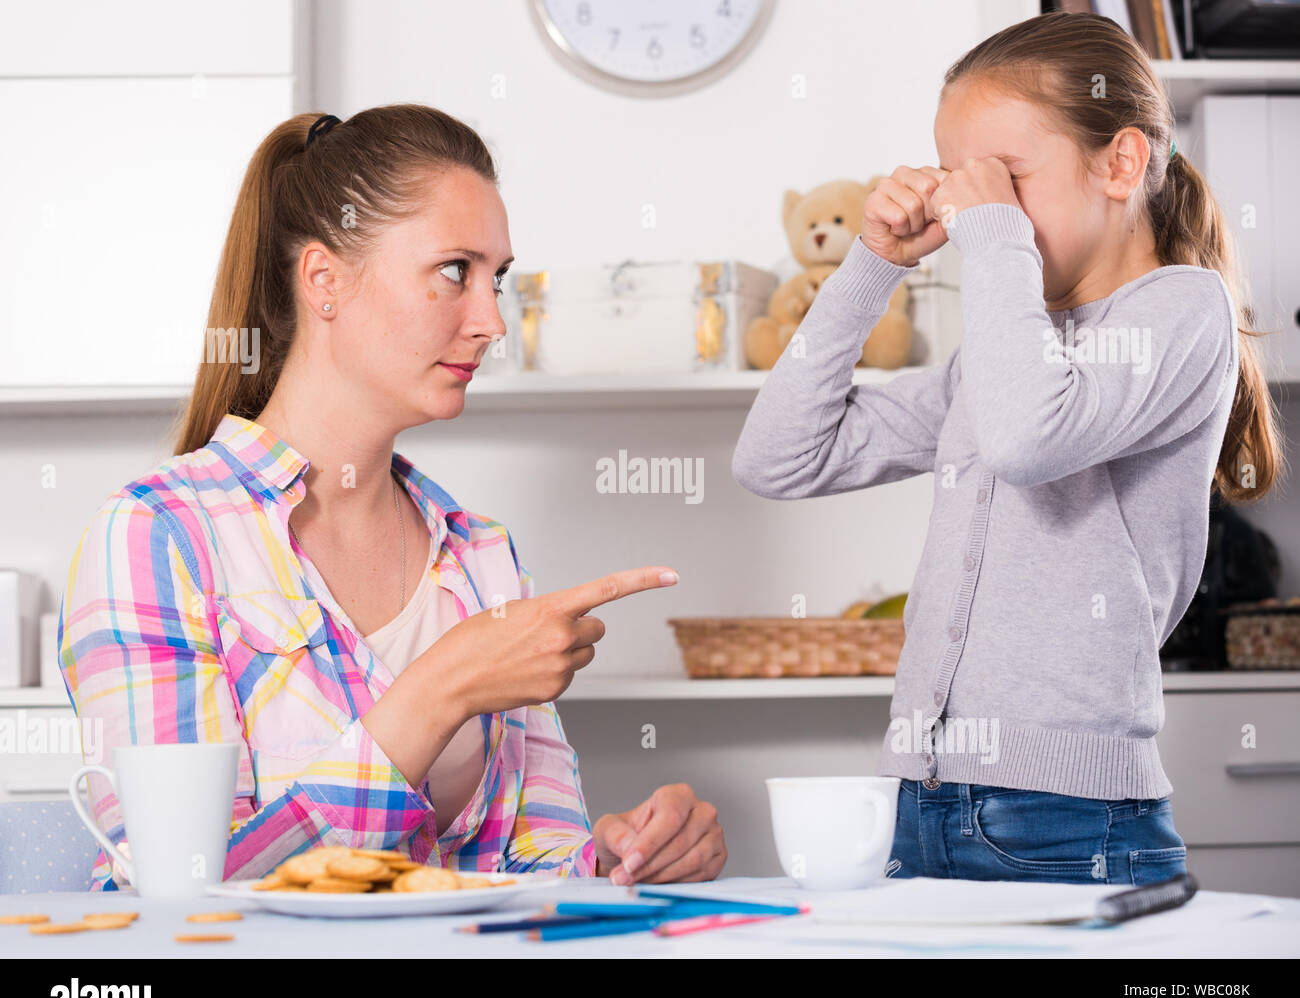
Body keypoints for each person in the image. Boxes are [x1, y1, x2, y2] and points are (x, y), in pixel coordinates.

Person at [59, 104, 725, 893]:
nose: (492, 322)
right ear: (324, 280)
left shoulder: (479, 554)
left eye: (498, 280)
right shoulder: (157, 536)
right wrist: (439, 690)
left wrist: (621, 861)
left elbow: (531, 866)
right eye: (455, 272)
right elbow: (176, 890)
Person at [731, 12, 1283, 885]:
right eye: (965, 185)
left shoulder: (1182, 311)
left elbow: (1029, 438)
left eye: (1007, 181)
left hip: (1068, 817)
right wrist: (873, 263)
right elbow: (777, 457)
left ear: (1123, 163)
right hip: (916, 798)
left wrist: (992, 239)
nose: (973, 212)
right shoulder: (993, 357)